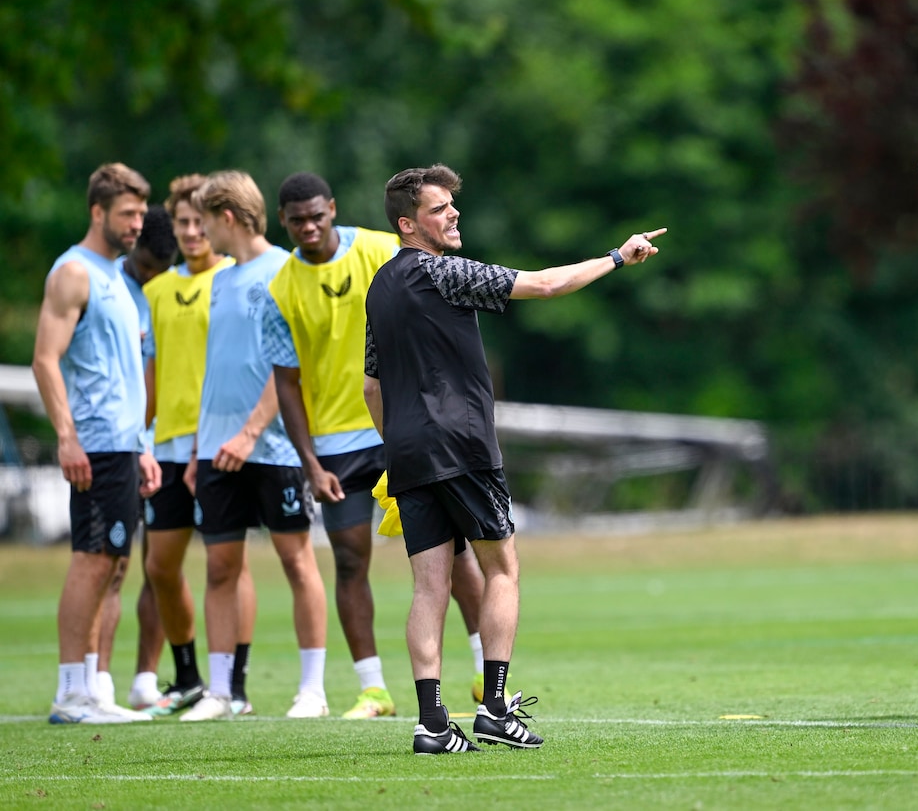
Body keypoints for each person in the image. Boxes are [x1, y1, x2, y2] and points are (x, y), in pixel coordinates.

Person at [363, 163, 665, 754]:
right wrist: (618, 257)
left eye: (452, 205)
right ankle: (496, 710)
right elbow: (548, 286)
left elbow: (372, 386)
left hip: (409, 452)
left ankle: (431, 724)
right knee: (502, 569)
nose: (452, 214)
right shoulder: (443, 272)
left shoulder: (379, 286)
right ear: (407, 223)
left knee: (429, 588)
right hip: (463, 444)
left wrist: (397, 445)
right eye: (438, 209)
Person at [262, 171, 487, 719]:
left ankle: (485, 672)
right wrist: (308, 460)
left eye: (318, 215)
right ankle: (373, 689)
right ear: (284, 223)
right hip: (337, 443)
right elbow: (285, 383)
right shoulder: (281, 287)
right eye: (297, 221)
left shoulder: (385, 250)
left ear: (332, 208)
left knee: (453, 557)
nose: (310, 226)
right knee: (348, 559)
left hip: (405, 429)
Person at [178, 170, 329, 722]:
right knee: (219, 567)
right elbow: (219, 369)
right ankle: (221, 693)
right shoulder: (218, 279)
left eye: (202, 220)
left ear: (226, 217)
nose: (197, 233)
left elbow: (286, 368)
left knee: (297, 562)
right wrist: (202, 445)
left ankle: (312, 689)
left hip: (274, 449)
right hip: (216, 452)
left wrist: (249, 432)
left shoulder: (283, 272)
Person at [32, 162, 162, 724]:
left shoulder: (118, 279)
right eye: (127, 213)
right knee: (91, 562)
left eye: (139, 212)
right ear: (98, 212)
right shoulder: (74, 273)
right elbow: (45, 360)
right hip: (94, 444)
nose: (137, 223)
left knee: (111, 563)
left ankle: (89, 690)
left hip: (123, 446)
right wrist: (67, 437)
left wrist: (144, 447)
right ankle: (71, 694)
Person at [142, 174, 260, 716]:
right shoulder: (156, 291)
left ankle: (233, 683)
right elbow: (151, 372)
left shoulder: (236, 280)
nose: (192, 231)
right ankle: (187, 675)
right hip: (166, 444)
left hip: (217, 442)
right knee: (160, 566)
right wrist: (140, 438)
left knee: (228, 565)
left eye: (198, 221)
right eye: (182, 223)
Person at [96, 204, 177, 713]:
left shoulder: (173, 289)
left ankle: (145, 679)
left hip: (168, 445)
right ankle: (96, 679)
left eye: (158, 270)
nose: (151, 277)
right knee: (113, 562)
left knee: (160, 569)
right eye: (145, 266)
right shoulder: (111, 290)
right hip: (122, 442)